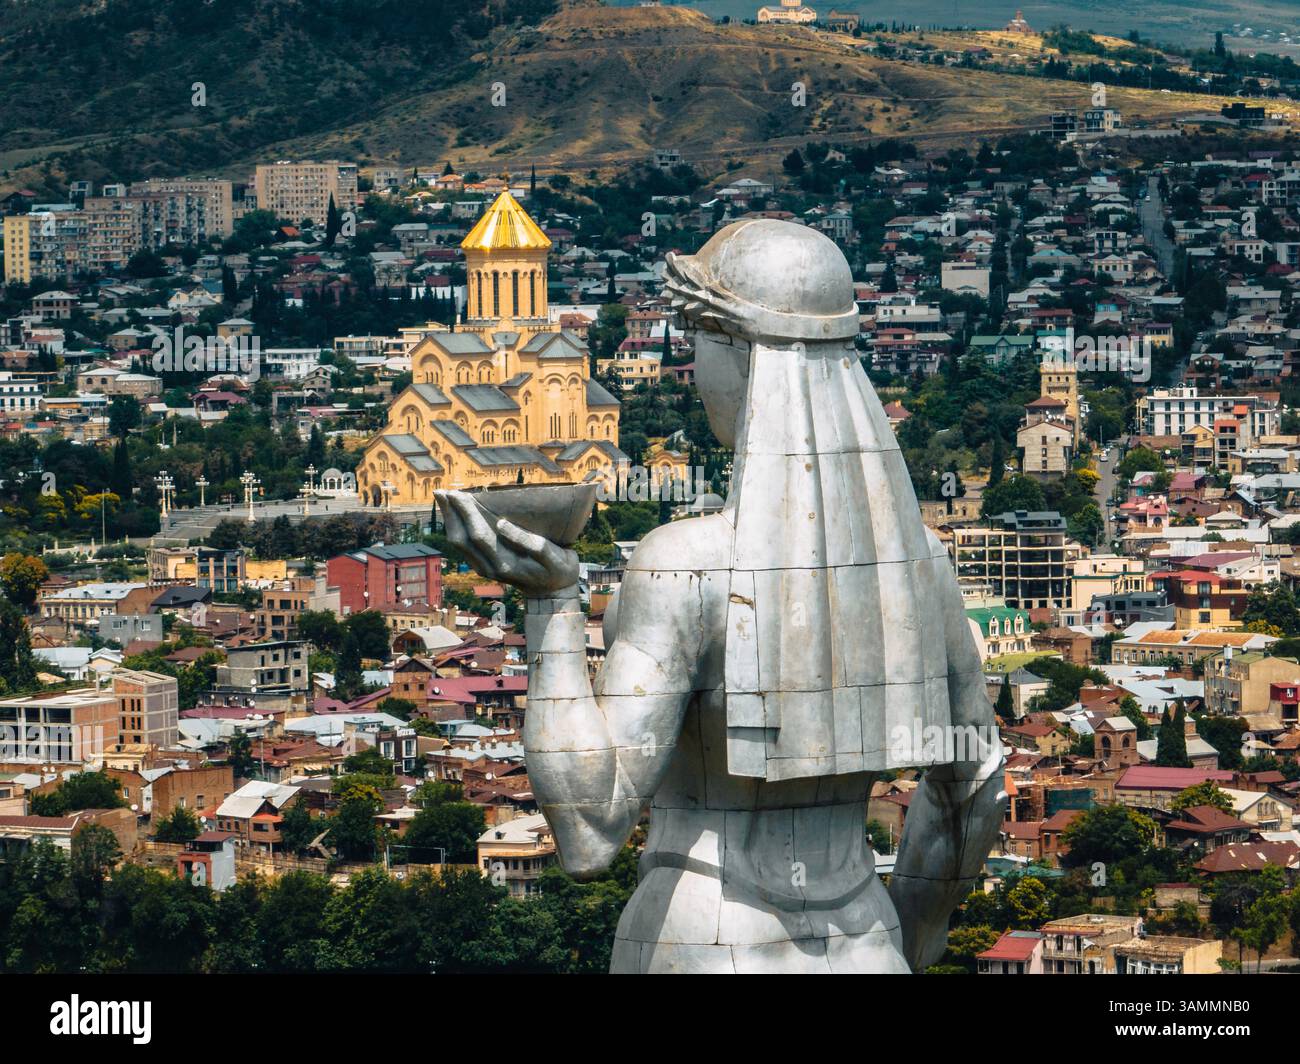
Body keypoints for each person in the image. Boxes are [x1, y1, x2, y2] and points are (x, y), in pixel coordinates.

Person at [437, 219, 1004, 973]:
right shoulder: (921, 565)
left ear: (740, 354)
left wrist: (552, 606)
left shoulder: (687, 566)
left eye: (698, 341)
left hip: (705, 929)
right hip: (864, 940)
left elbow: (589, 828)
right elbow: (975, 787)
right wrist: (902, 932)